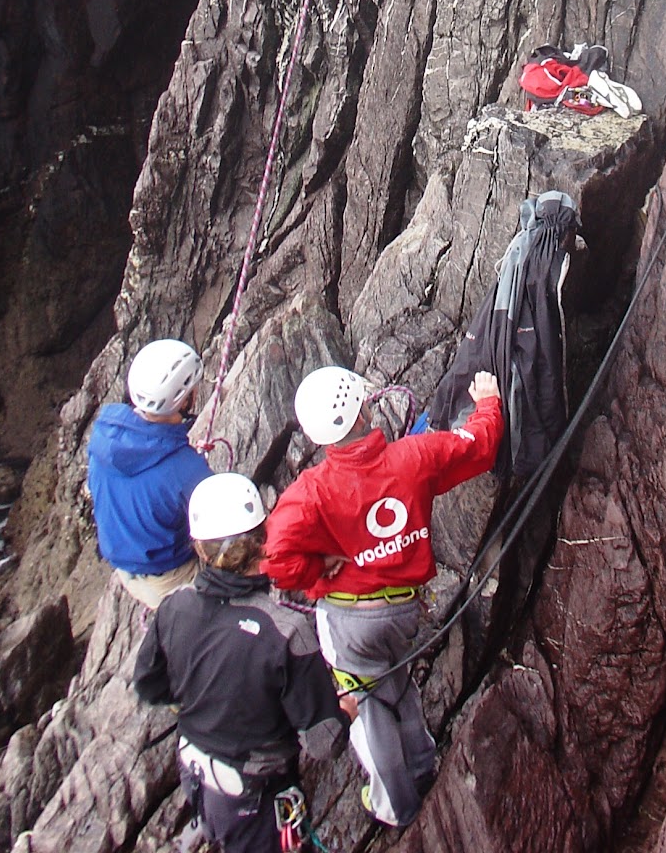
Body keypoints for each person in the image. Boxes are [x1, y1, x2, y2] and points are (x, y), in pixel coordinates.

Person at [263, 365, 504, 829]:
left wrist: (317, 570)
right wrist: (489, 402)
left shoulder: (312, 492)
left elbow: (275, 557)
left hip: (350, 623)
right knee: (398, 685)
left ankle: (395, 803)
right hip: (404, 612)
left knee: (367, 708)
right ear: (360, 415)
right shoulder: (413, 457)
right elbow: (477, 446)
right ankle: (421, 762)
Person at [134, 473, 355, 853]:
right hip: (257, 798)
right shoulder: (285, 631)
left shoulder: (174, 607)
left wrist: (209, 702)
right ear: (263, 540)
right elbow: (324, 741)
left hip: (196, 771)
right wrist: (346, 711)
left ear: (200, 550)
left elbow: (149, 684)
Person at [87, 338, 211, 607]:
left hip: (124, 565)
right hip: (169, 576)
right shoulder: (186, 469)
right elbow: (220, 528)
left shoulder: (104, 434)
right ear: (183, 399)